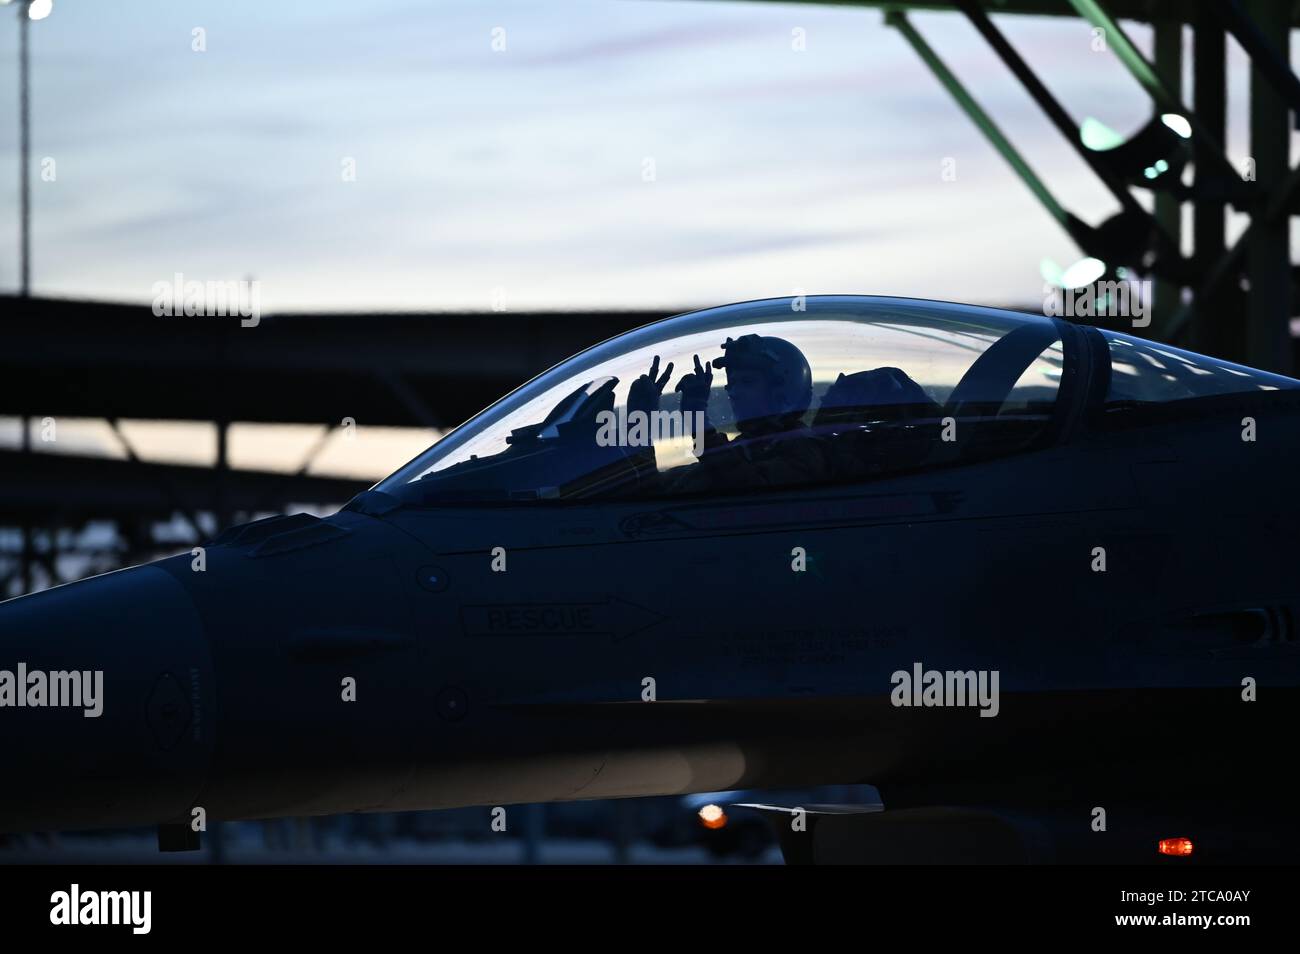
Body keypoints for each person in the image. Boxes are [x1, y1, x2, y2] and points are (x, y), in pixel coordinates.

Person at [627, 334, 829, 493]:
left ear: (783, 391)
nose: (734, 392)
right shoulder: (744, 448)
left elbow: (747, 487)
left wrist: (699, 423)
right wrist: (641, 419)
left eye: (747, 382)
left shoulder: (804, 451)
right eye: (731, 383)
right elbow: (654, 493)